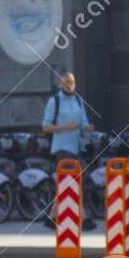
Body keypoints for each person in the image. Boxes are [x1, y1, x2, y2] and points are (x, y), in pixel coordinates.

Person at [42, 71, 96, 229]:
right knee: (72, 182)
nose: (69, 85)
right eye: (65, 82)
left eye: (71, 82)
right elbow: (45, 126)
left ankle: (51, 217)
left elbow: (83, 122)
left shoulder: (78, 101)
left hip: (75, 148)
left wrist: (88, 128)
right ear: (60, 84)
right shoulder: (55, 101)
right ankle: (84, 218)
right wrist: (66, 127)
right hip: (61, 148)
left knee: (66, 182)